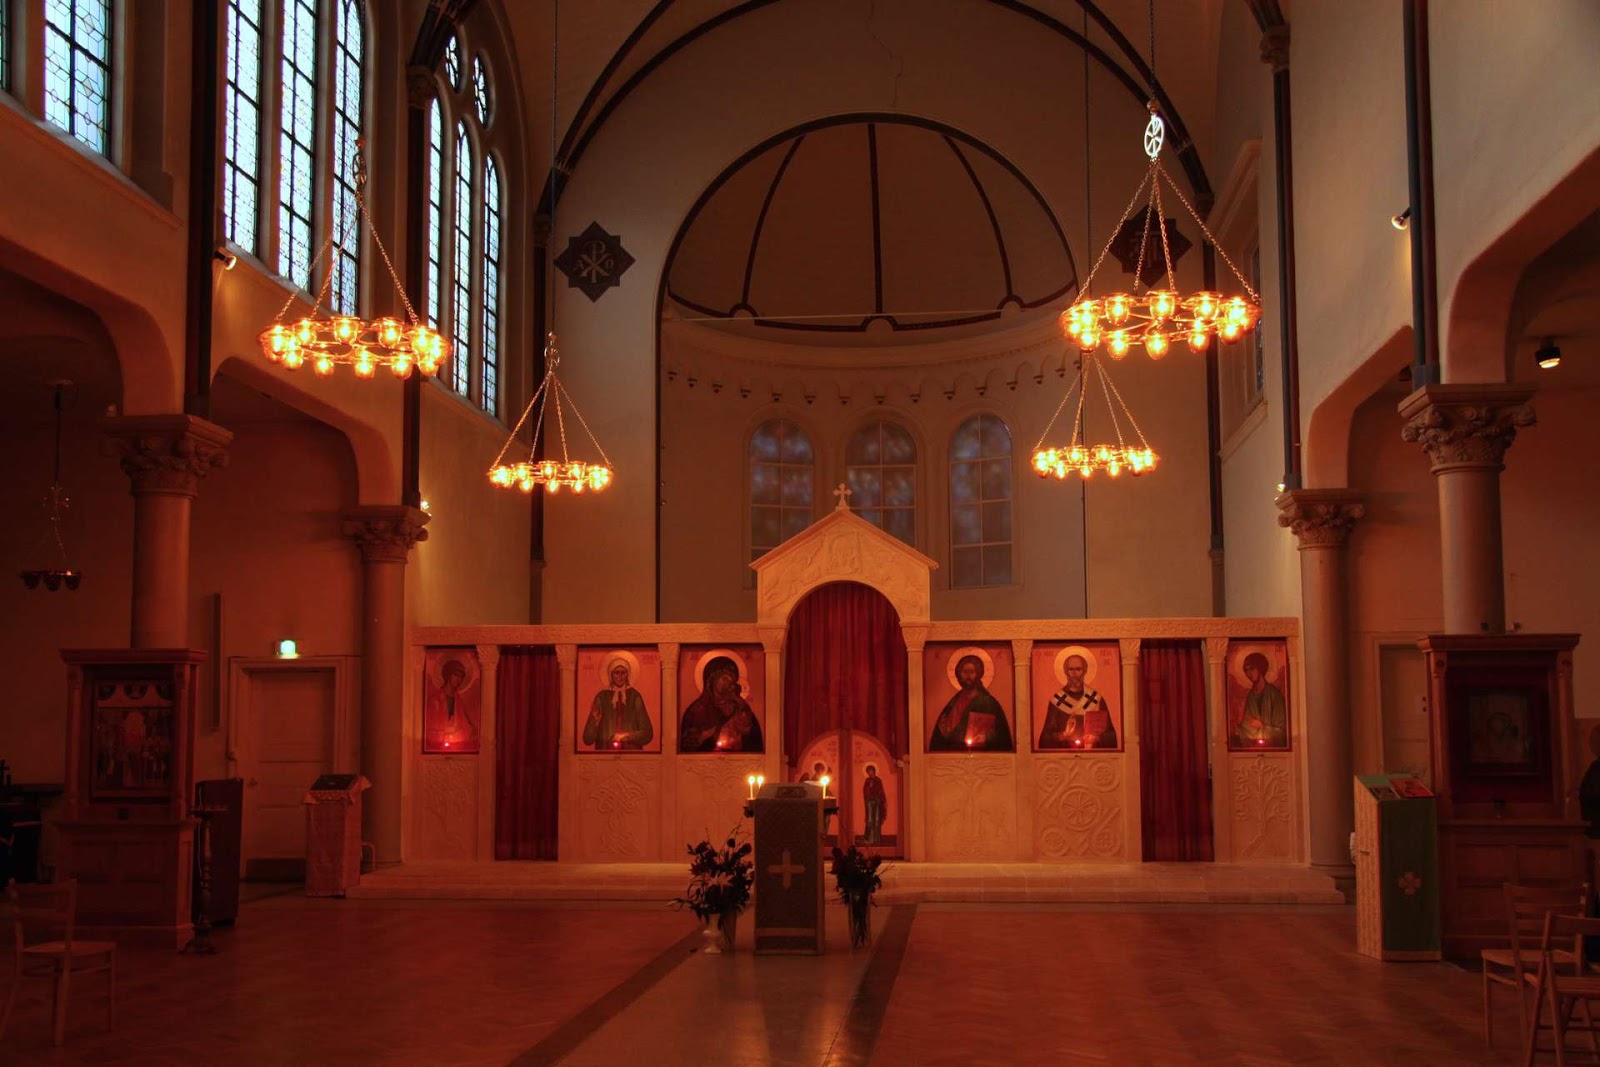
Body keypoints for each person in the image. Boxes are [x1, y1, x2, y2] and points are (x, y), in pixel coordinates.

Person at [929, 654, 1013, 752]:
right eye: (965, 672)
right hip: (955, 754)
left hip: (982, 755)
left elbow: (1002, 735)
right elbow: (941, 734)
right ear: (959, 674)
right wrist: (944, 733)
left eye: (972, 672)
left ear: (978, 674)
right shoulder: (954, 703)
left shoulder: (989, 703)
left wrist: (986, 738)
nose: (968, 676)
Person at [679, 657, 763, 753]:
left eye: (733, 679)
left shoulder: (740, 707)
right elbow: (688, 746)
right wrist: (704, 735)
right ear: (711, 680)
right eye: (725, 678)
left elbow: (754, 742)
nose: (730, 682)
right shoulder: (696, 710)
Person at [1039, 653, 1118, 749]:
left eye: (1078, 669)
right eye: (1071, 669)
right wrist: (1064, 734)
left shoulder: (1095, 699)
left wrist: (1096, 738)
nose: (1074, 673)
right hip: (1064, 755)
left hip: (1091, 755)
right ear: (1066, 672)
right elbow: (1045, 739)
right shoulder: (1057, 701)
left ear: (1084, 671)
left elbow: (1111, 736)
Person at [583, 657, 654, 749]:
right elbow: (587, 739)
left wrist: (625, 736)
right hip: (605, 753)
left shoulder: (635, 697)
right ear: (610, 674)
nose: (620, 676)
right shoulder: (601, 698)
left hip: (632, 753)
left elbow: (647, 734)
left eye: (623, 673)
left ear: (628, 674)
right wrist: (594, 722)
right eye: (616, 673)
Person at [1232, 651, 1287, 747]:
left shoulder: (1275, 695)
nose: (1249, 673)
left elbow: (1282, 732)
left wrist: (1262, 726)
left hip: (1273, 749)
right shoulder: (1251, 696)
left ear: (1260, 668)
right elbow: (1247, 726)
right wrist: (1237, 729)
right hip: (1254, 746)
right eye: (1246, 670)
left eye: (1252, 669)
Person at [862, 764, 887, 845]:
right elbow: (865, 792)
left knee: (876, 820)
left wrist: (880, 800)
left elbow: (881, 792)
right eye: (868, 771)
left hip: (877, 803)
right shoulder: (867, 781)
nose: (870, 773)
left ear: (874, 771)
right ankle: (868, 838)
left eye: (871, 771)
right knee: (869, 820)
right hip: (869, 803)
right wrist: (869, 789)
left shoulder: (878, 780)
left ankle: (877, 839)